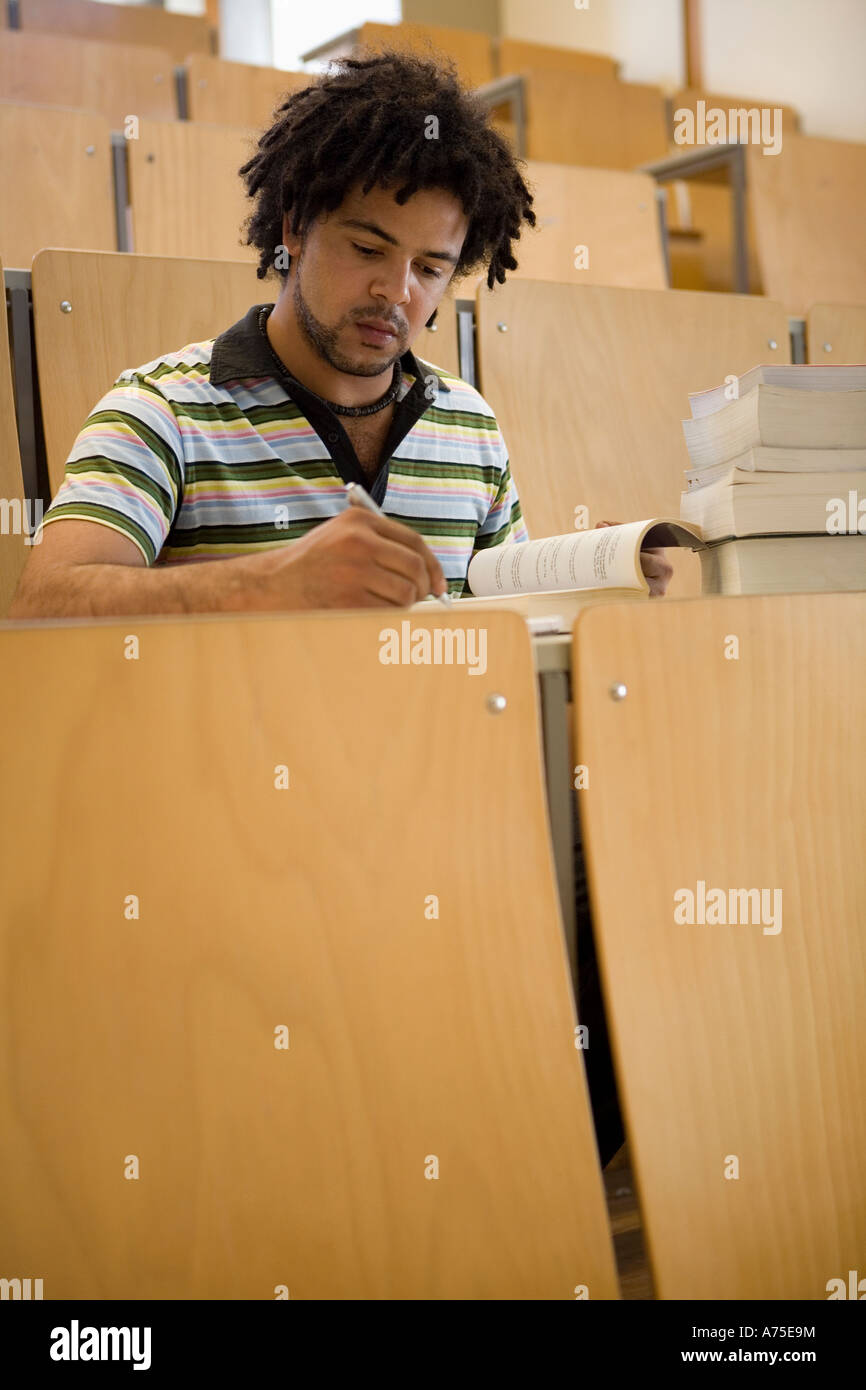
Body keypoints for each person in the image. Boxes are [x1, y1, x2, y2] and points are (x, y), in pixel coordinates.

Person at [8, 48, 671, 1168]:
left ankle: (551, 1169)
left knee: (636, 850)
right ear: (293, 229)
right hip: (230, 820)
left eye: (429, 267)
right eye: (368, 249)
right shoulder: (161, 406)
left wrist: (600, 584)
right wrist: (265, 588)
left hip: (441, 799)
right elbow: (42, 610)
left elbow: (495, 604)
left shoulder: (467, 425)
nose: (396, 294)